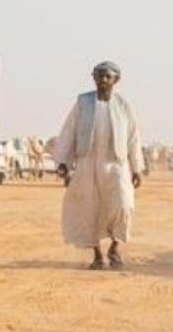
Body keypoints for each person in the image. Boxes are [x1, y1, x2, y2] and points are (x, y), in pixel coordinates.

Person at [54, 61, 144, 269]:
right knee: (90, 209)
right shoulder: (83, 103)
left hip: (116, 164)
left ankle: (115, 246)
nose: (103, 80)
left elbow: (133, 139)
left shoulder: (124, 107)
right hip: (88, 164)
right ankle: (97, 255)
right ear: (93, 78)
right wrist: (63, 162)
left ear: (116, 80)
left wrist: (136, 168)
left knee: (123, 204)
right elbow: (69, 132)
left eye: (107, 76)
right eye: (99, 76)